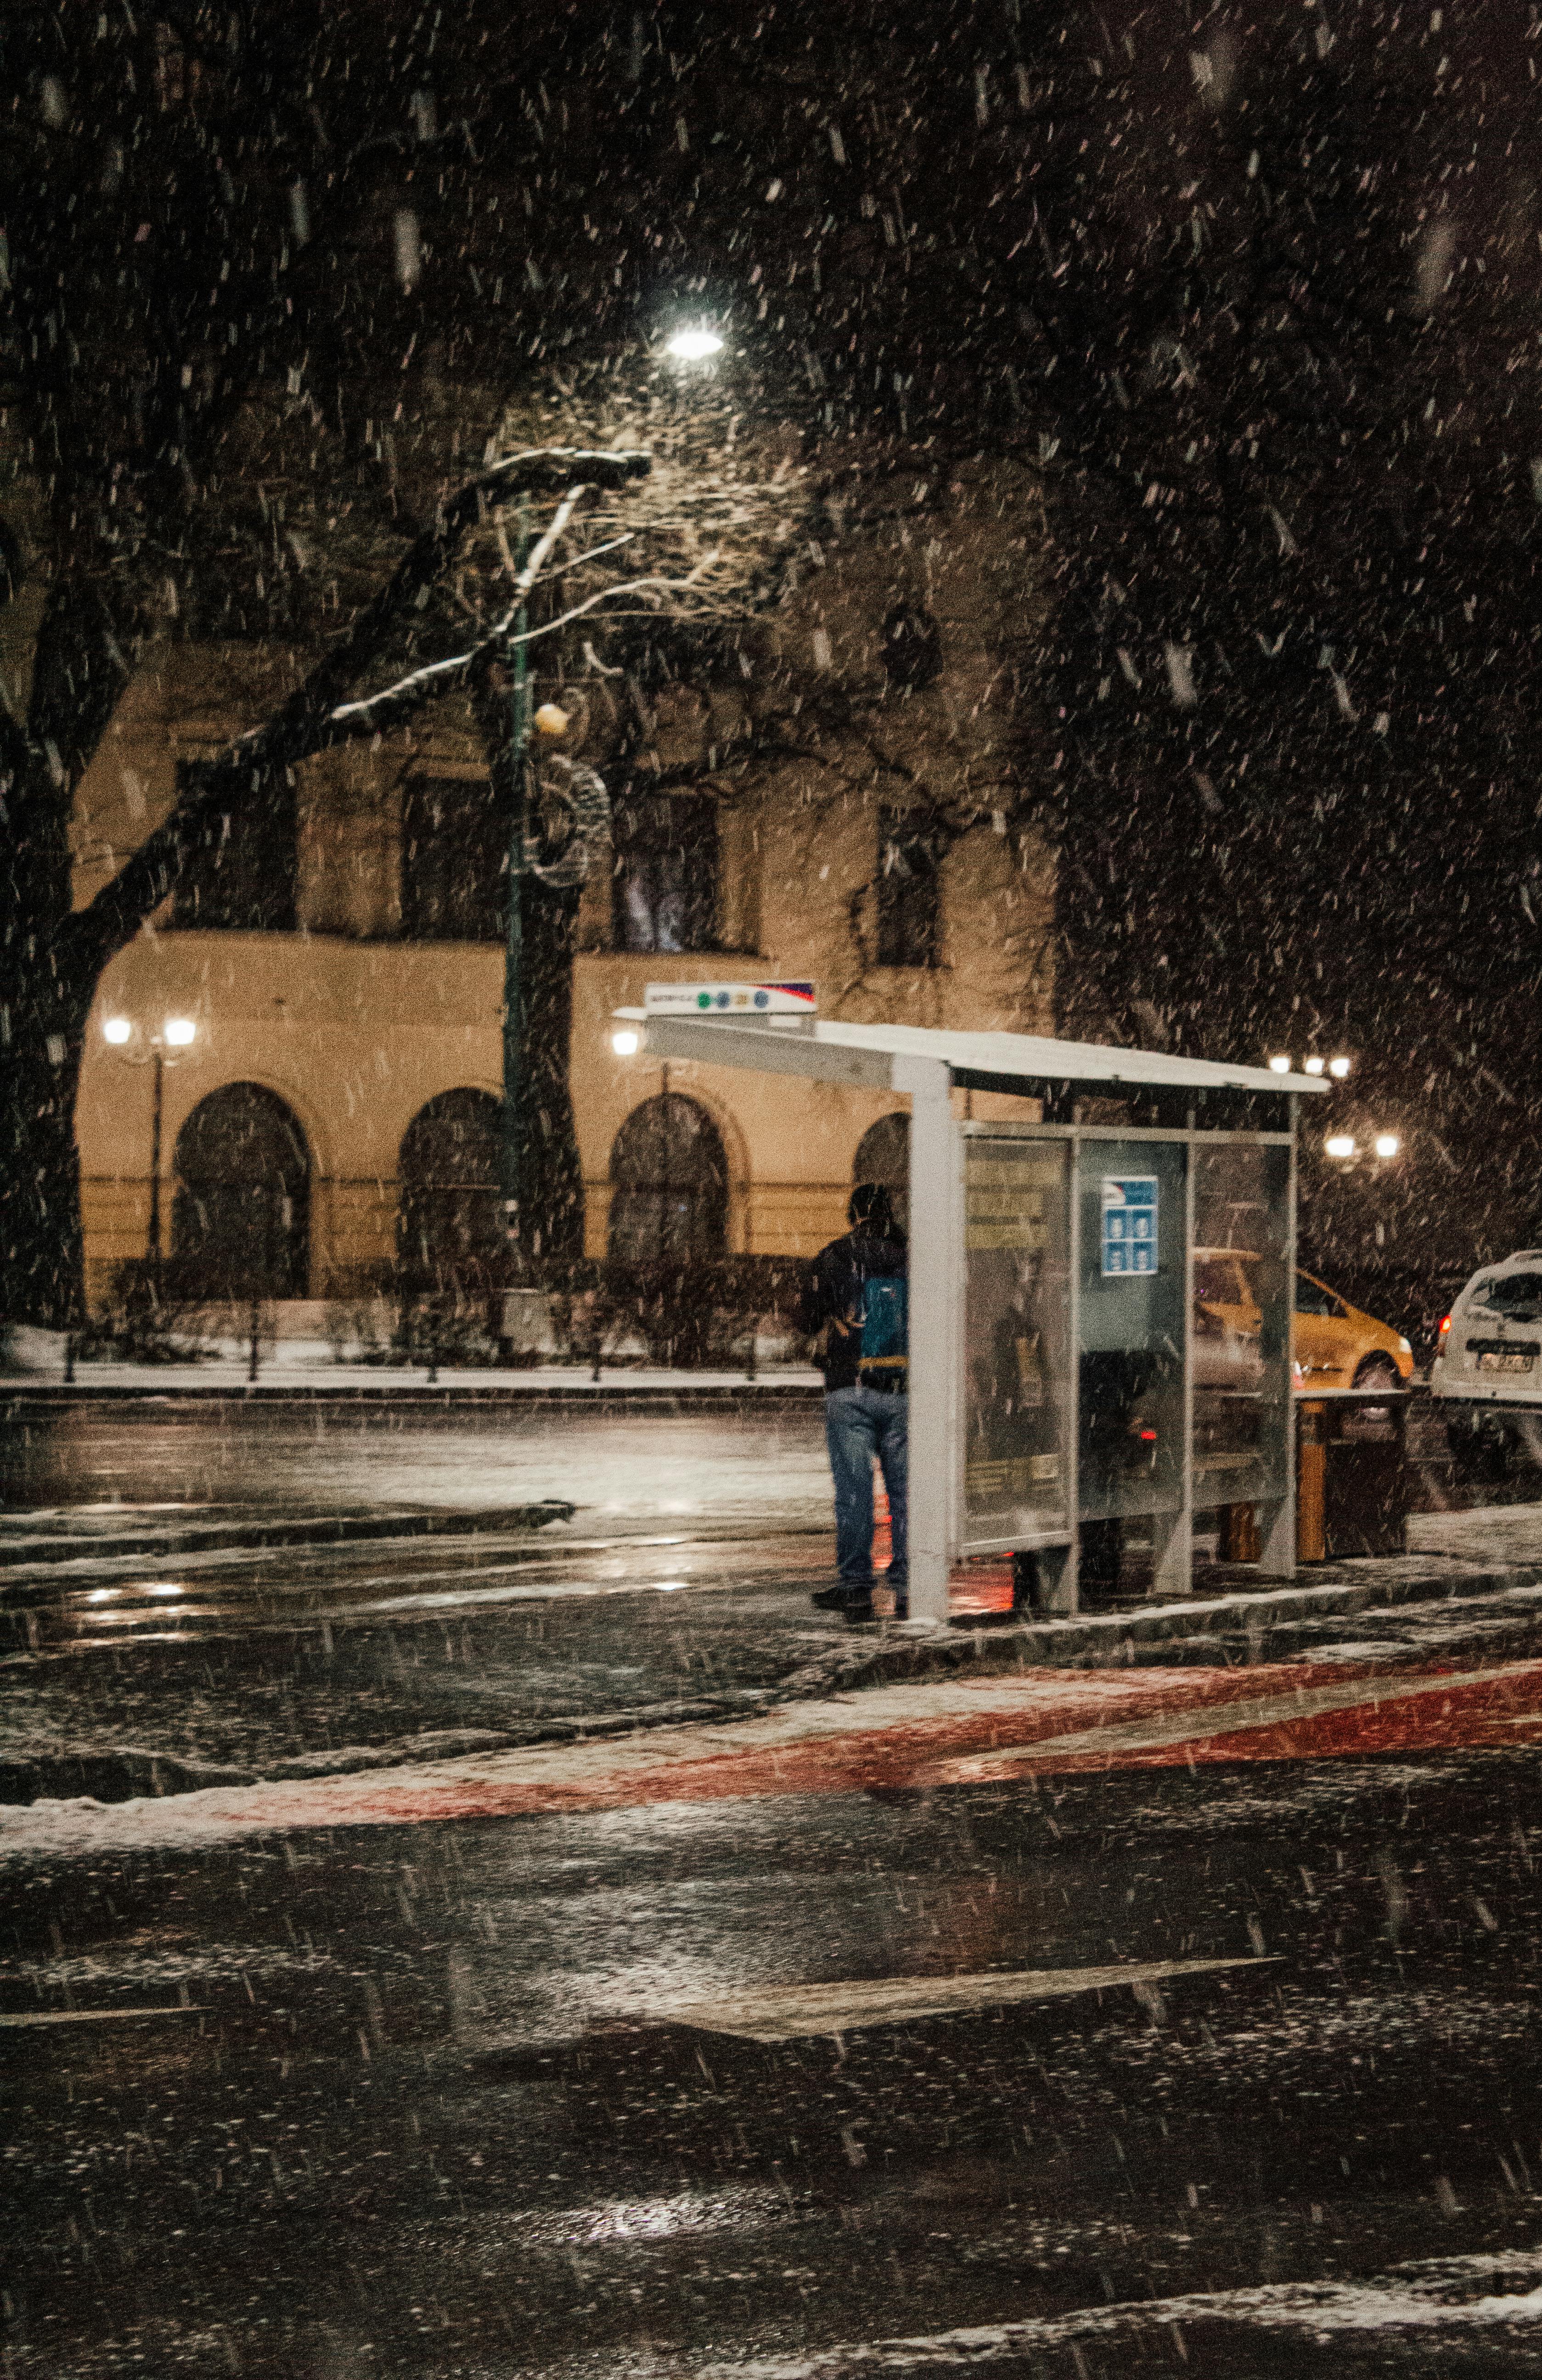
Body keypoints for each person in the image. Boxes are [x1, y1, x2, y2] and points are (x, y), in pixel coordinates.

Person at [798, 1182, 908, 1621]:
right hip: (904, 1388)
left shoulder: (836, 1256)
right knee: (904, 1495)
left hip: (850, 1387)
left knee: (854, 1494)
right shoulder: (912, 1256)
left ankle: (857, 1586)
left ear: (854, 1213)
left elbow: (807, 1320)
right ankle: (908, 1583)